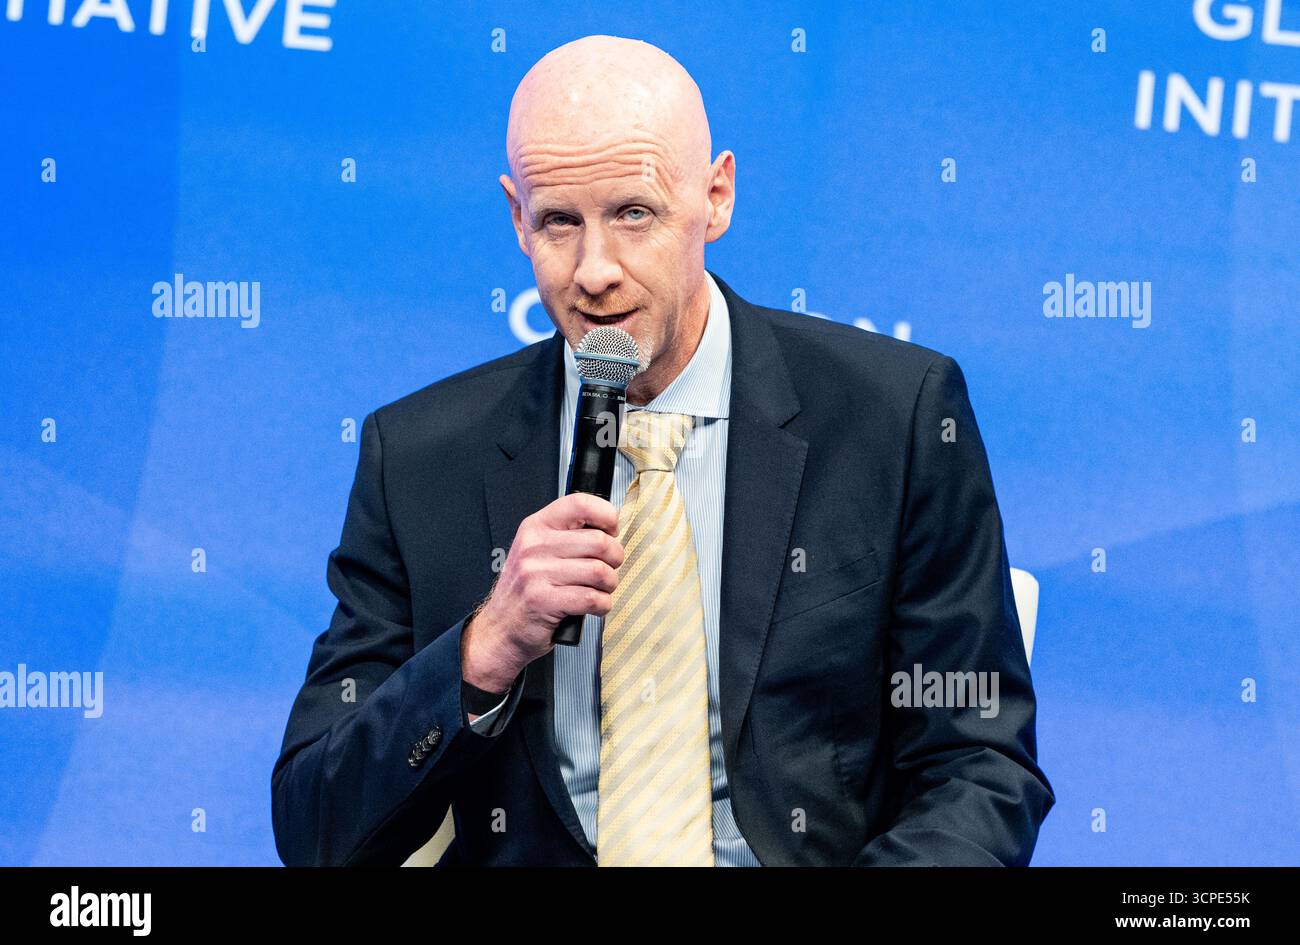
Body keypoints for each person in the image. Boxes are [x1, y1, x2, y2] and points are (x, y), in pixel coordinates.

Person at [271, 34, 1054, 866]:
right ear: (516, 218)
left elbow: (980, 764)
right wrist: (485, 648)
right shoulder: (423, 457)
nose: (594, 271)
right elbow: (316, 828)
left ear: (715, 197)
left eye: (633, 214)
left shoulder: (893, 417)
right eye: (560, 223)